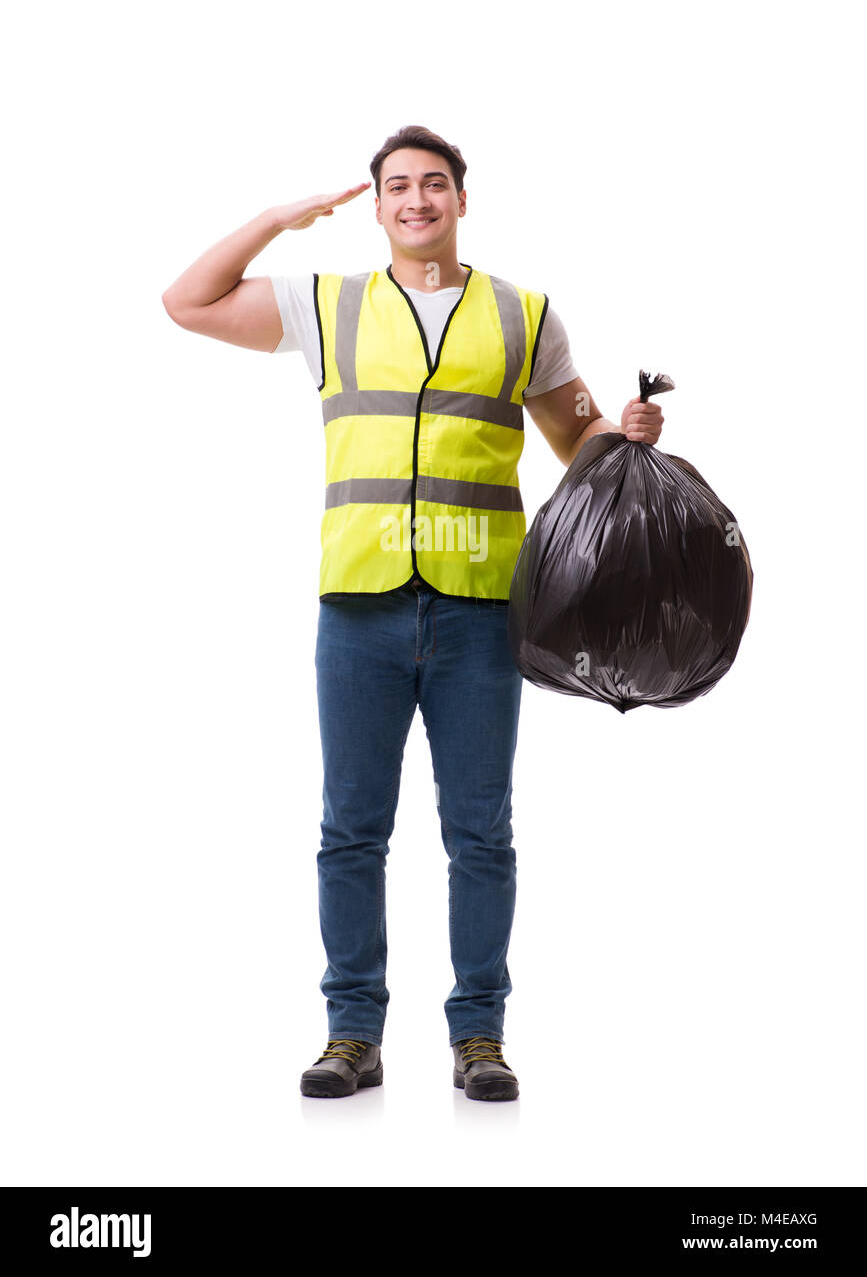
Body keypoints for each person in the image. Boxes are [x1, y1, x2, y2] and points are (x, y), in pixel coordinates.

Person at [162, 124, 664, 1103]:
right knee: (351, 830)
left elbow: (579, 440)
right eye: (398, 187)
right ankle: (352, 1033)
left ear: (462, 200)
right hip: (359, 611)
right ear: (378, 202)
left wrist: (626, 432)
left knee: (480, 833)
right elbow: (186, 300)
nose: (418, 201)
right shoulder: (327, 303)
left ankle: (480, 1036)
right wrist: (276, 217)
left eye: (435, 185)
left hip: (481, 612)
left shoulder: (523, 314)